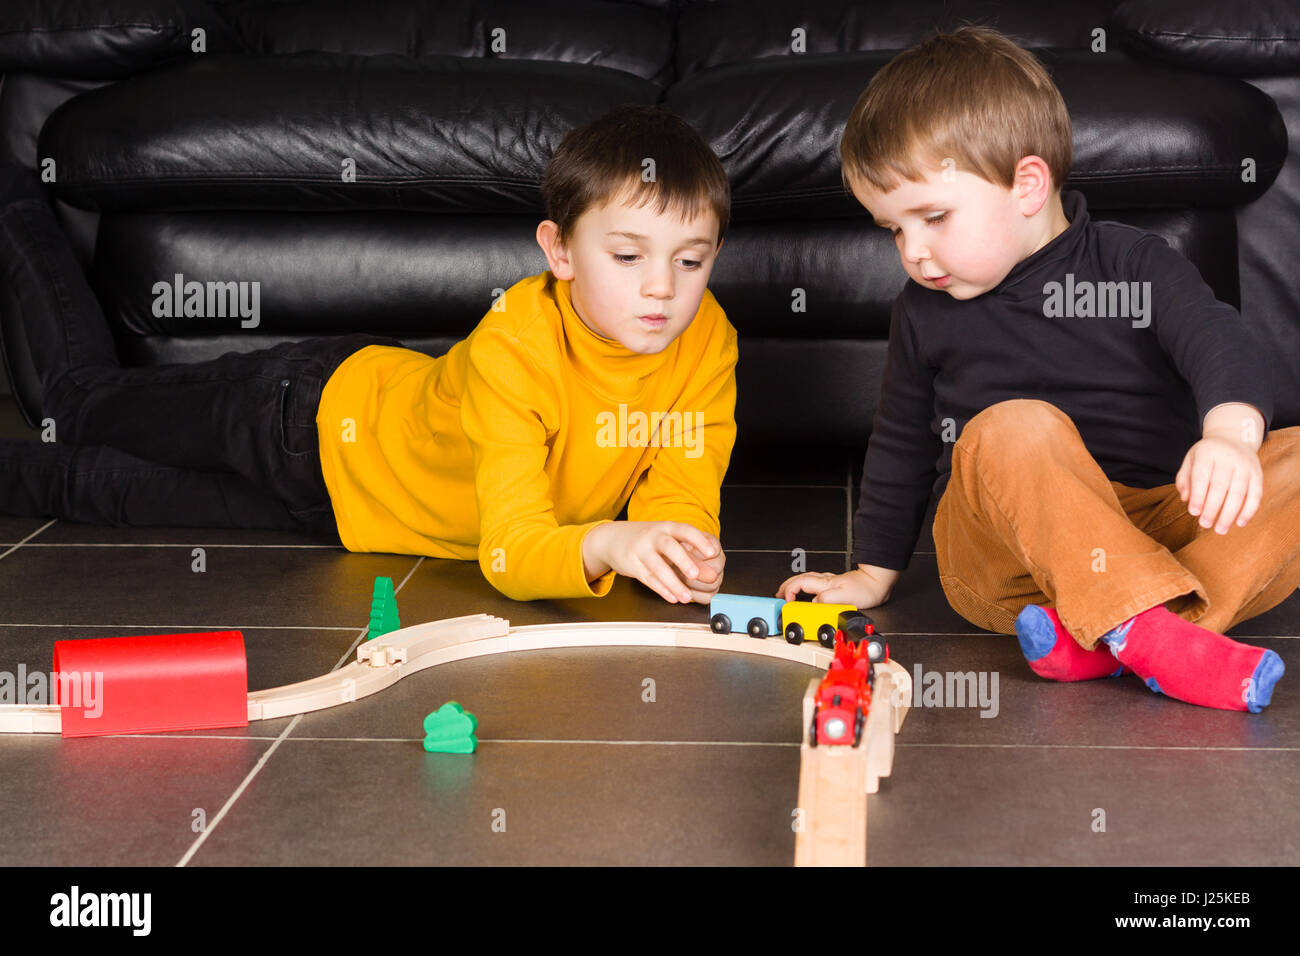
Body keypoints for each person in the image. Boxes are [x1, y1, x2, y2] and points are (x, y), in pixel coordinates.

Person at [0, 104, 738, 603]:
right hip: (300, 414)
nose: (662, 291)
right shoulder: (516, 344)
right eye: (628, 255)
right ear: (561, 252)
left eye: (689, 261)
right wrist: (610, 542)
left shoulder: (709, 340)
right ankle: (15, 204)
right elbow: (513, 552)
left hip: (349, 513)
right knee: (79, 404)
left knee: (104, 493)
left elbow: (680, 481)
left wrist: (676, 545)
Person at [778, 26, 1292, 713]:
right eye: (895, 230)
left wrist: (1230, 435)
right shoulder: (923, 311)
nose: (914, 251)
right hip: (1007, 562)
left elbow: (1217, 338)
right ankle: (1150, 630)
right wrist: (873, 573)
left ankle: (1117, 634)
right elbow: (901, 440)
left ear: (1027, 184)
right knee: (1012, 425)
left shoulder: (1133, 263)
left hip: (1158, 524)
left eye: (932, 218)